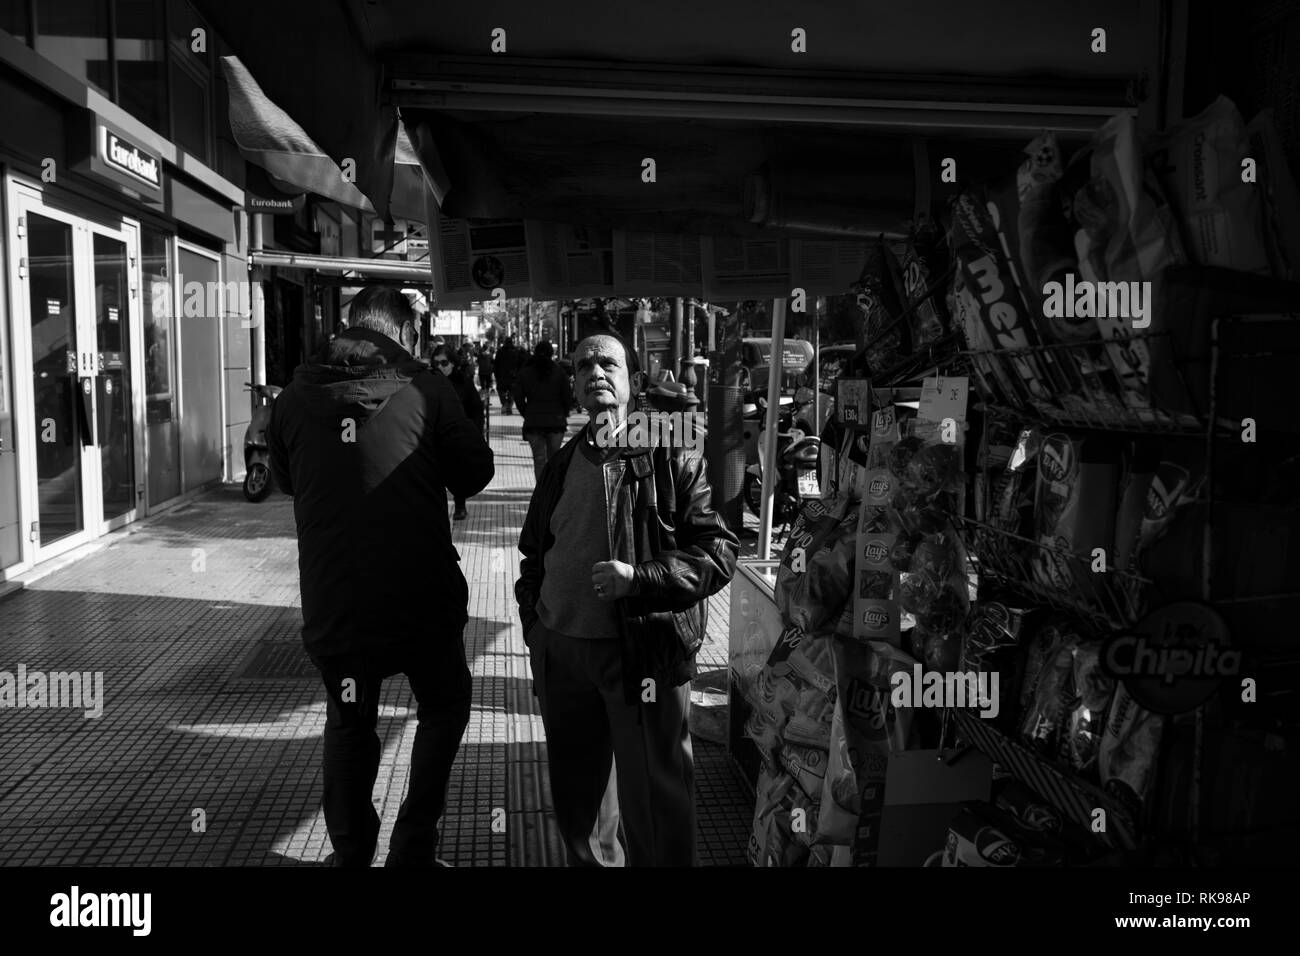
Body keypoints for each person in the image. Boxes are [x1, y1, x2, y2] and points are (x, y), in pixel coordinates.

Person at [267, 285, 494, 868]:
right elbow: (474, 472)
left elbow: (289, 481)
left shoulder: (294, 397)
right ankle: (413, 847)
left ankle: (351, 856)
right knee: (445, 704)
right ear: (405, 331)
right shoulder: (427, 388)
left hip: (336, 605)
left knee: (349, 724)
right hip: (421, 600)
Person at [515, 333, 739, 867]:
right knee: (580, 807)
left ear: (634, 382)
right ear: (573, 386)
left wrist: (639, 579)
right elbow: (532, 556)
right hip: (563, 654)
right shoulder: (561, 464)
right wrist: (536, 626)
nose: (595, 371)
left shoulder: (670, 452)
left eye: (608, 363)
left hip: (642, 653)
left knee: (654, 800)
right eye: (584, 365)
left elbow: (718, 551)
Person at [432, 344, 485, 520]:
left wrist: (475, 433)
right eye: (436, 363)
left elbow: (476, 410)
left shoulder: (464, 382)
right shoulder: (428, 383)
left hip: (457, 436)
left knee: (457, 471)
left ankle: (459, 505)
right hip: (434, 435)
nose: (439, 367)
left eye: (444, 363)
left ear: (453, 363)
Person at [513, 341, 574, 482]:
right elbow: (567, 395)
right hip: (556, 420)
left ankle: (540, 492)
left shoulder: (525, 372)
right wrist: (564, 412)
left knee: (539, 459)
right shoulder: (559, 371)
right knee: (554, 459)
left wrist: (526, 412)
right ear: (551, 354)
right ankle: (552, 491)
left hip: (533, 421)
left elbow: (518, 397)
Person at [495, 337, 520, 414]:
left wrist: (496, 375)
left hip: (502, 375)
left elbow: (496, 364)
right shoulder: (516, 351)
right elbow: (519, 364)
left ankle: (505, 404)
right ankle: (509, 406)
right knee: (512, 392)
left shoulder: (500, 351)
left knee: (501, 390)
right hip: (513, 376)